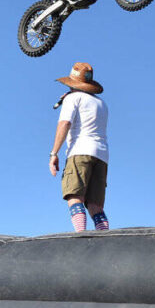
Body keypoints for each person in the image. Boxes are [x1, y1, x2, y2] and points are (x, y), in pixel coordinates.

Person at [48, 62, 110, 232]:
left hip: (80, 151)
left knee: (75, 197)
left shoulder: (72, 98)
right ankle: (105, 238)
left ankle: (80, 237)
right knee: (95, 206)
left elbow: (65, 123)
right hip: (102, 155)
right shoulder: (101, 104)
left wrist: (54, 153)